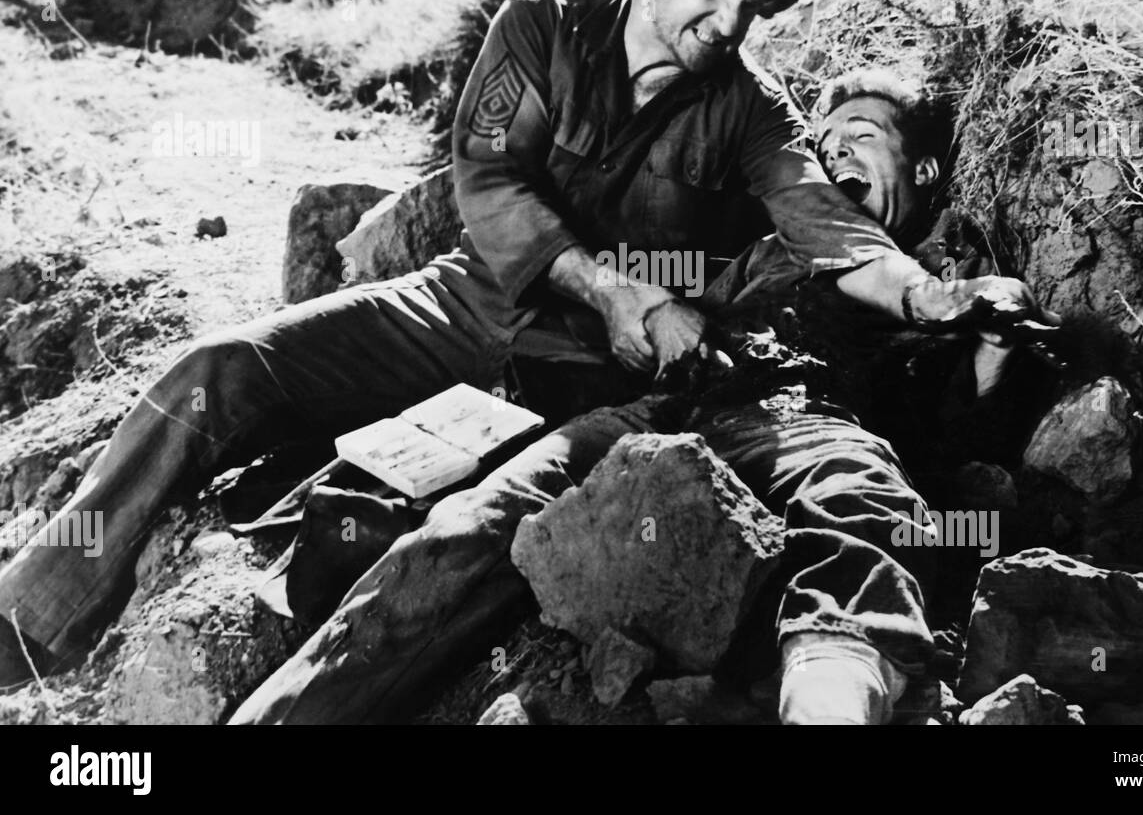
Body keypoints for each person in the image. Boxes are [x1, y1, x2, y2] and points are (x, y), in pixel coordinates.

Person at [228, 69, 1059, 724]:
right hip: (662, 412)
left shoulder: (955, 286)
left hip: (811, 422)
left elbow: (968, 437)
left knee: (864, 516)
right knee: (467, 530)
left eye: (864, 135)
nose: (835, 151)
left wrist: (990, 337)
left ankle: (835, 700)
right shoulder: (763, 252)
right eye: (826, 136)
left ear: (921, 171)